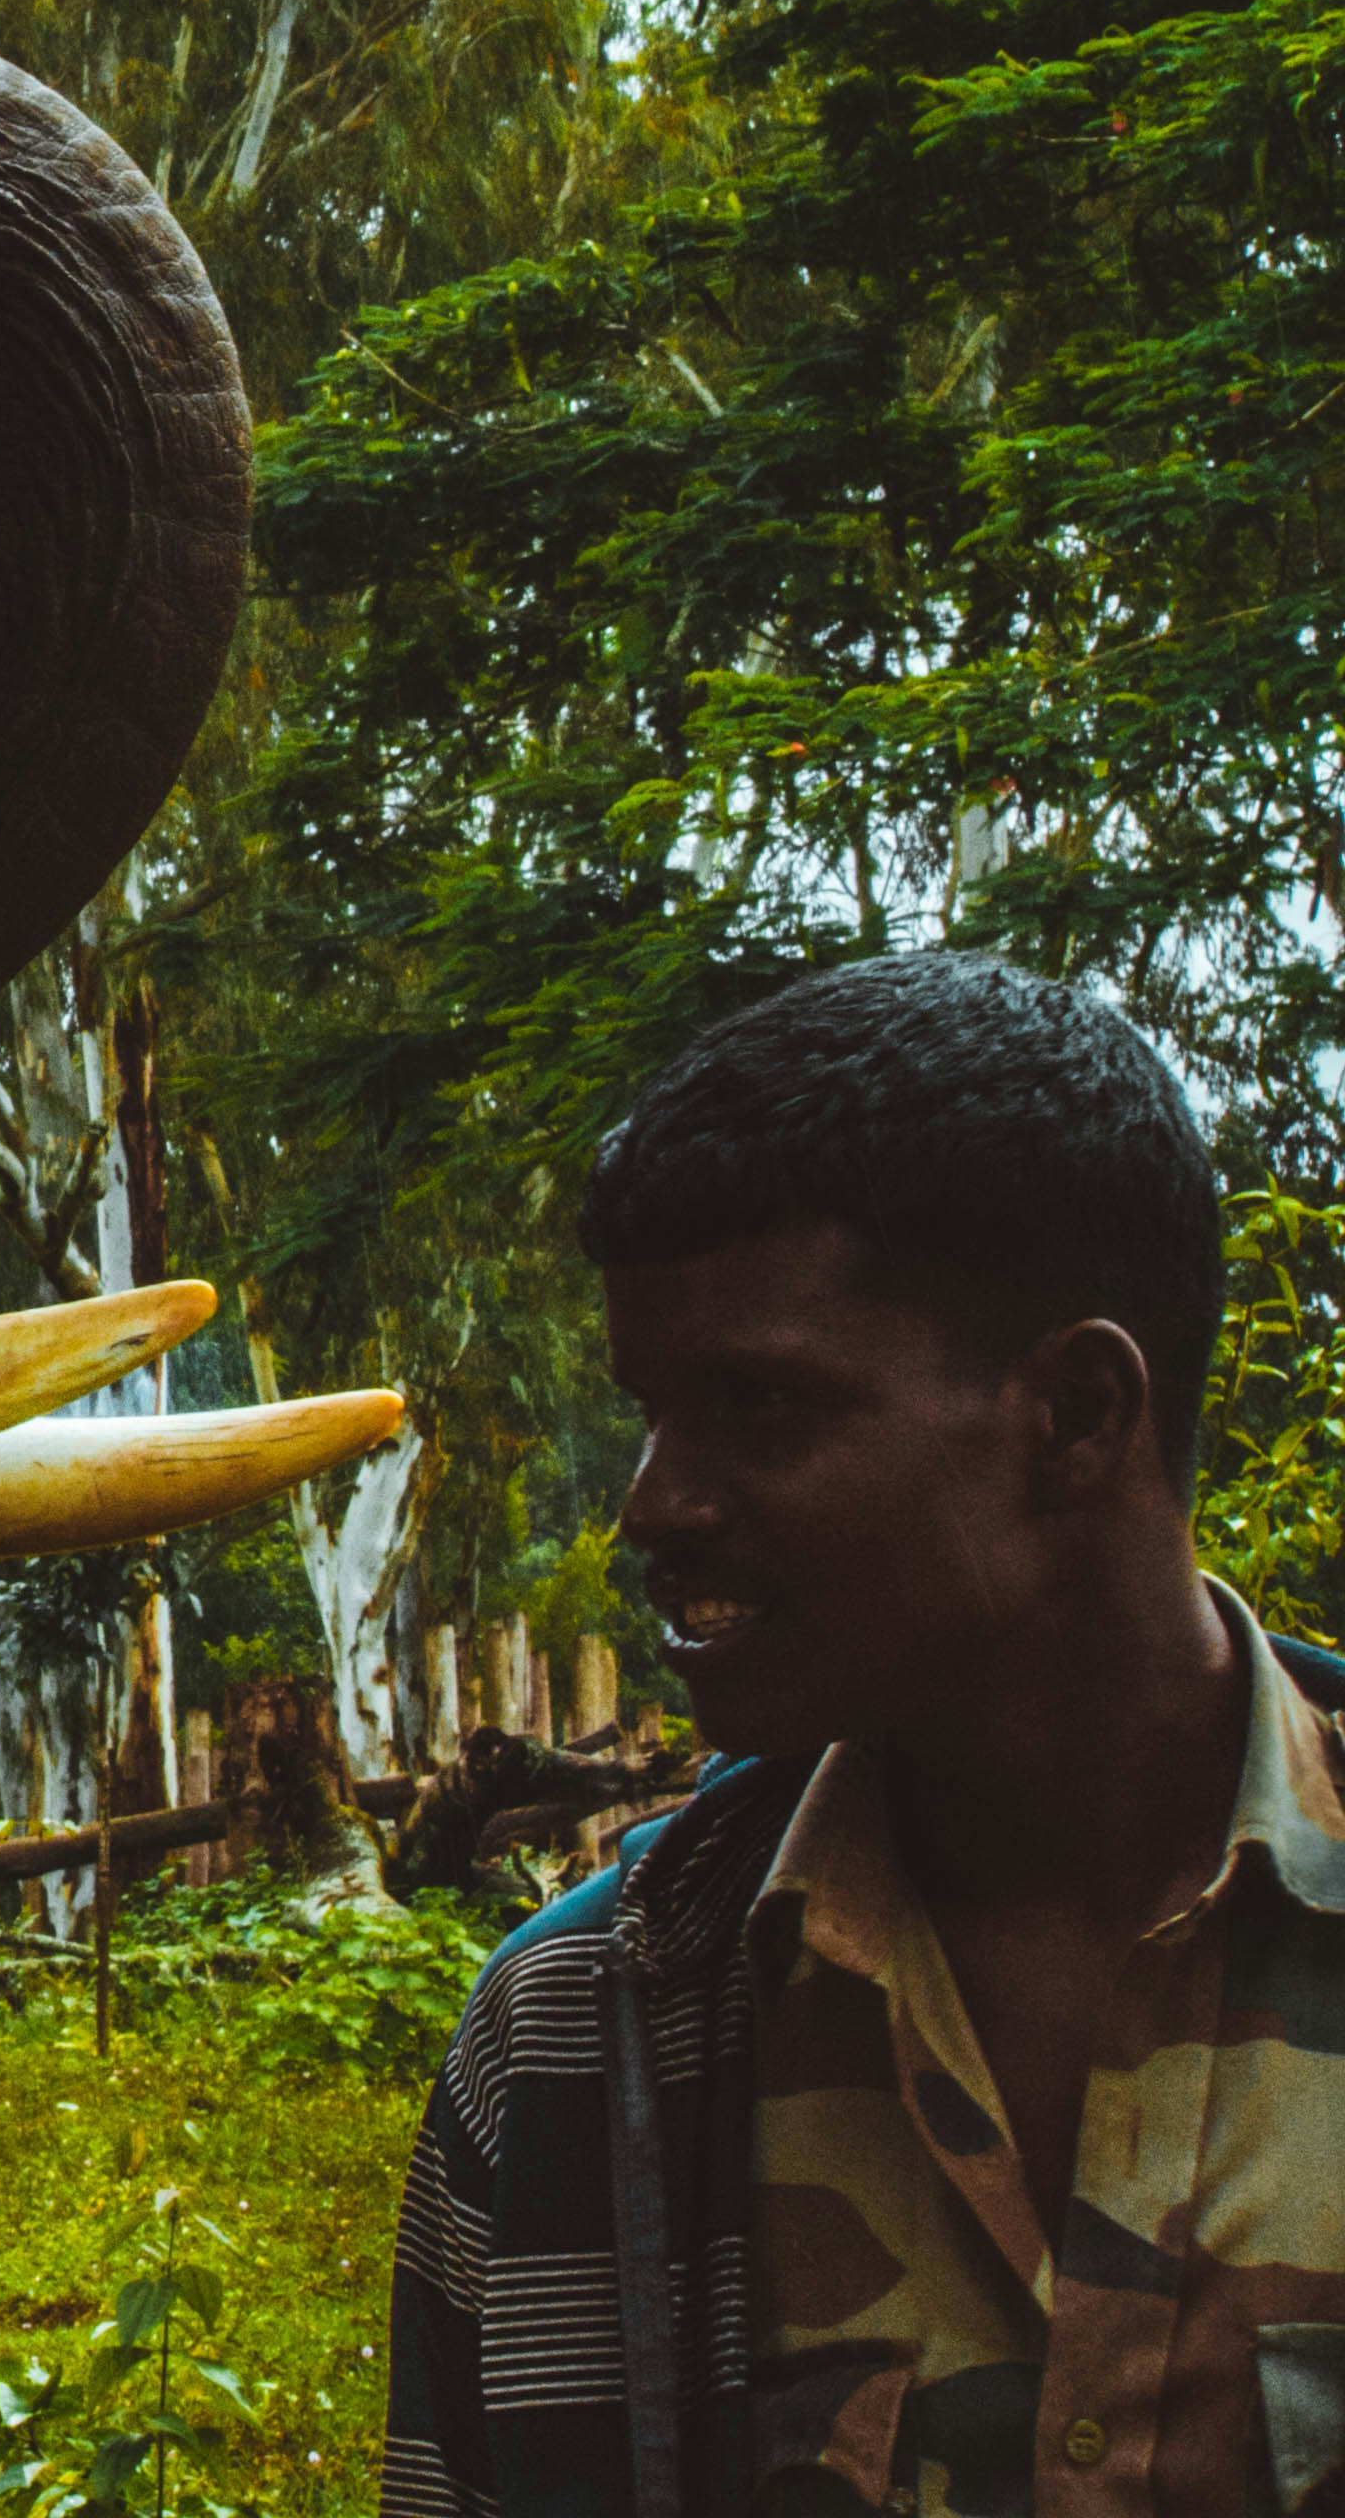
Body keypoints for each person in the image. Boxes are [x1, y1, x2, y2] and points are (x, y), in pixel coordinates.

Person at [381, 952, 1345, 2518]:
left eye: (759, 1409)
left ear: (1080, 1416)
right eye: (650, 1414)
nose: (651, 1508)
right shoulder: (572, 2042)